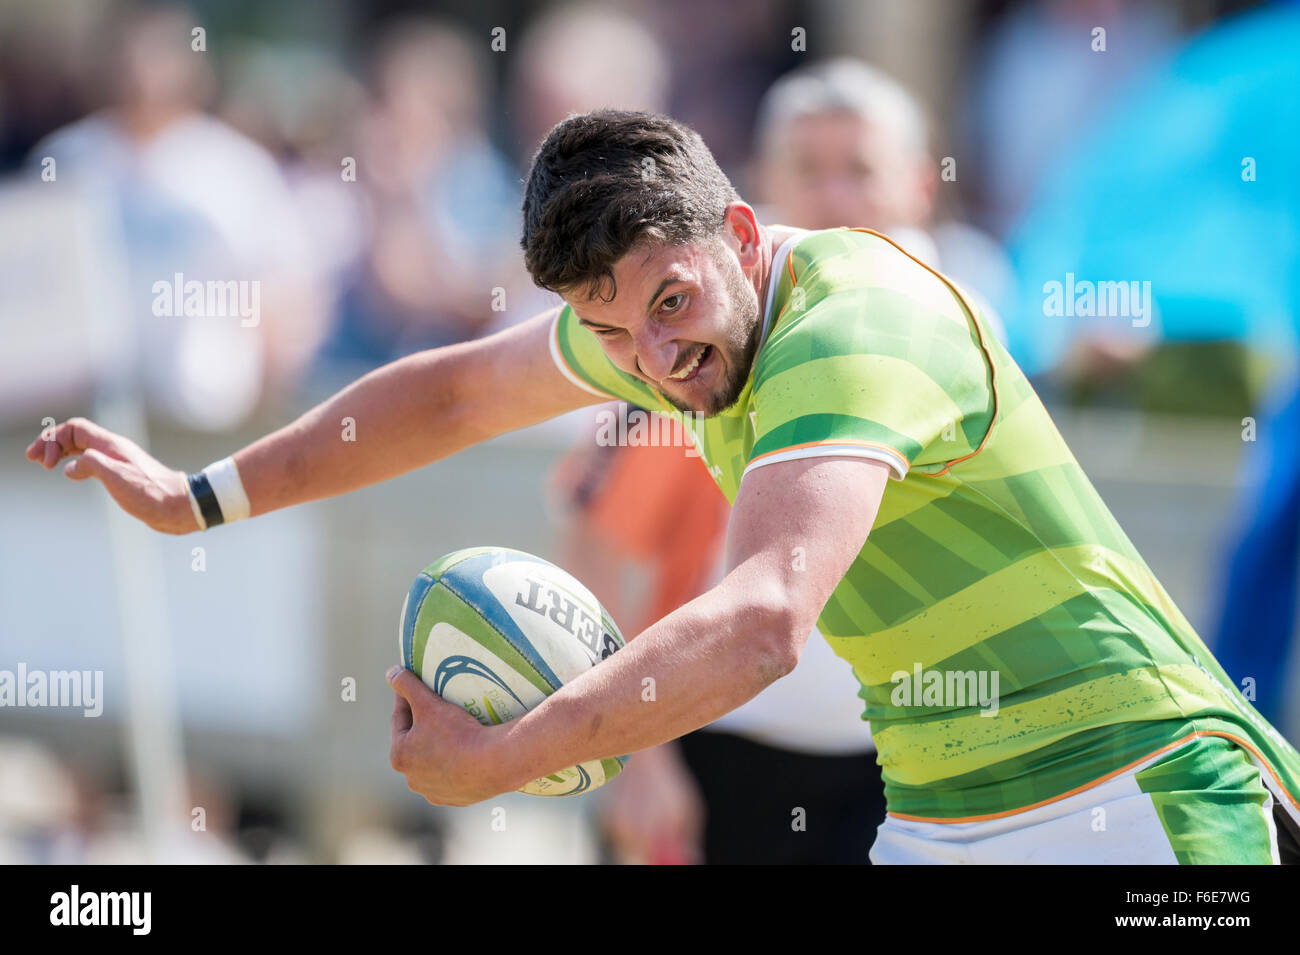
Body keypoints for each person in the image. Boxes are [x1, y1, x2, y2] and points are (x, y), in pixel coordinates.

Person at [27, 110, 1300, 864]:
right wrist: (201, 495)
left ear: (742, 235)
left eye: (670, 306)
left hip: (1148, 793)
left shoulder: (851, 326)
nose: (651, 360)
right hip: (945, 814)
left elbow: (759, 621)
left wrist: (510, 758)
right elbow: (454, 393)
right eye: (610, 328)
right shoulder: (661, 320)